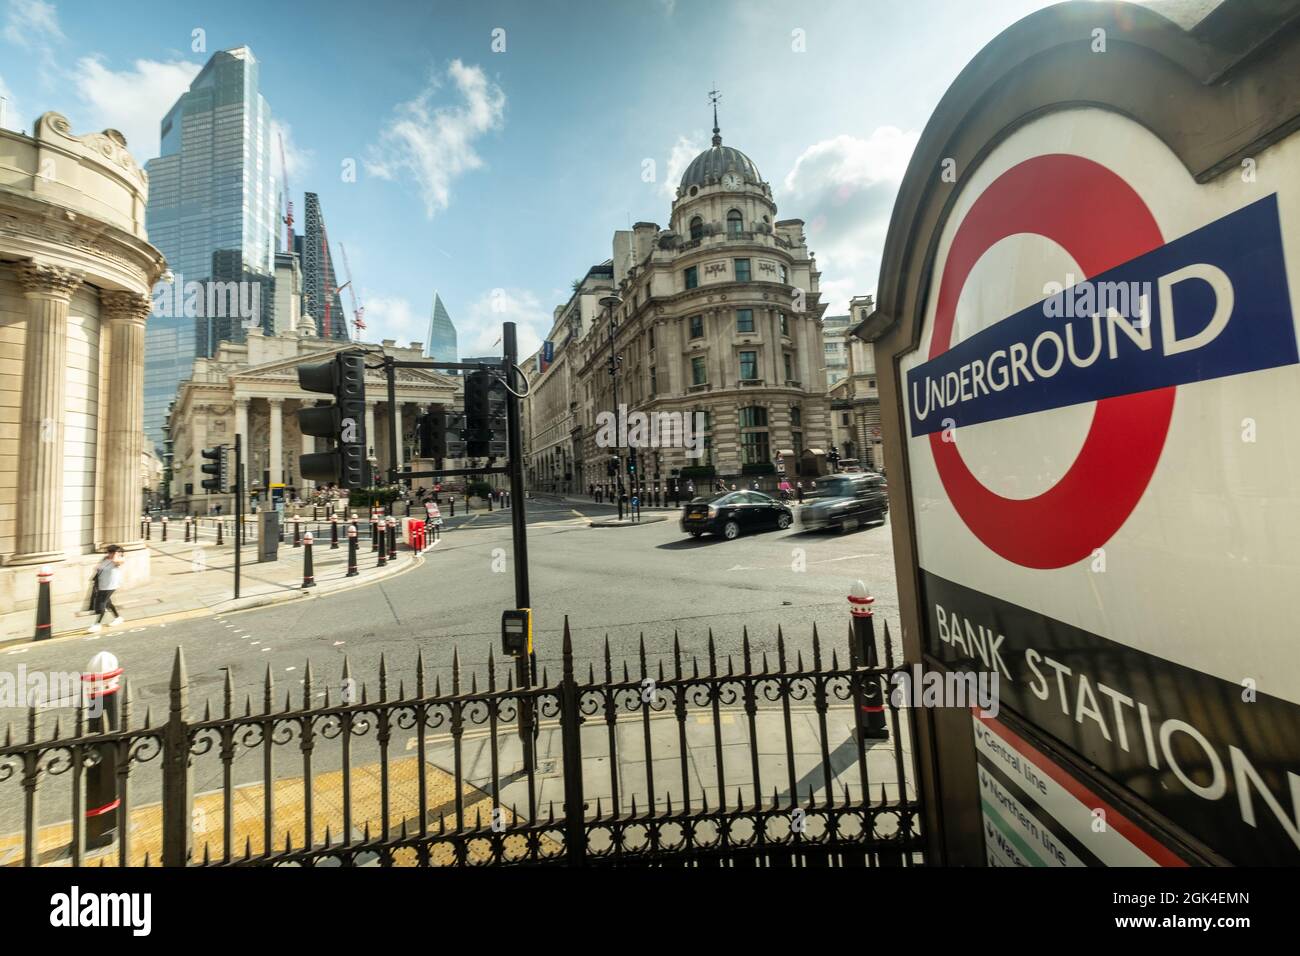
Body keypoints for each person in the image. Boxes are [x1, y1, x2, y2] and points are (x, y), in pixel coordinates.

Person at [88, 545, 127, 633]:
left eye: (111, 552)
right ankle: (118, 618)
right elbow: (97, 568)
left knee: (102, 603)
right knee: (108, 602)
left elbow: (116, 561)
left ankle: (97, 624)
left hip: (111, 585)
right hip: (102, 584)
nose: (108, 554)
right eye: (108, 552)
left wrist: (116, 554)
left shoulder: (119, 559)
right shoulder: (105, 559)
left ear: (115, 552)